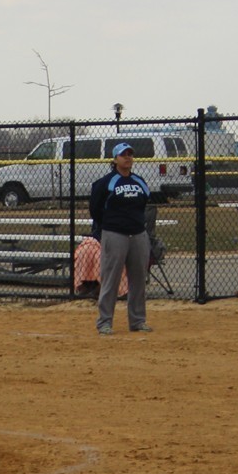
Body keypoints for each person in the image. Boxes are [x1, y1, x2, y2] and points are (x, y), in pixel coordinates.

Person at [88, 141, 159, 335]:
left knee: (138, 280)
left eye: (130, 154)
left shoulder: (139, 181)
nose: (127, 157)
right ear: (115, 159)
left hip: (137, 234)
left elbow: (144, 202)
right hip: (114, 234)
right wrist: (109, 225)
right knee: (111, 279)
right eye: (123, 154)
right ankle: (104, 322)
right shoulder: (107, 182)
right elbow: (95, 208)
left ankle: (137, 321)